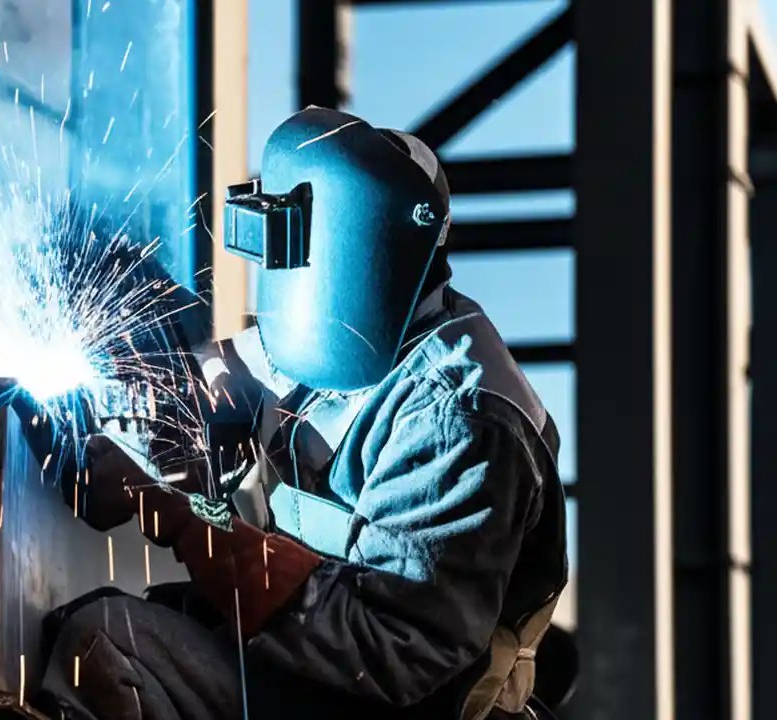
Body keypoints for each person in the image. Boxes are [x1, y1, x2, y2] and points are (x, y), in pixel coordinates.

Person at [32, 107, 569, 720]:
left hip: (394, 700)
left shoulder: (461, 422)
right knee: (100, 622)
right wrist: (127, 395)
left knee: (107, 645)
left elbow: (386, 652)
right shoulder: (325, 339)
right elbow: (204, 388)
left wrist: (176, 515)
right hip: (312, 675)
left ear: (344, 247)